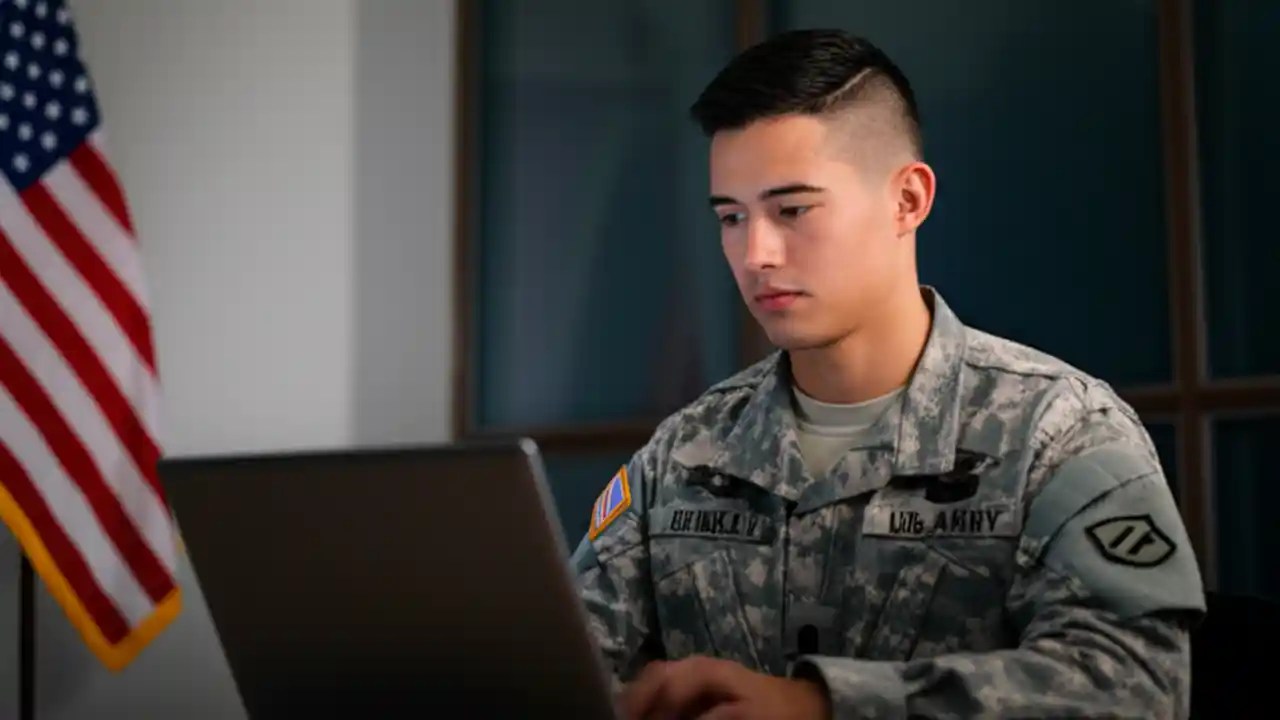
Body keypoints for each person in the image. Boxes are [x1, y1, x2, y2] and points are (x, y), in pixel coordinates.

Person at [569, 29, 1205, 720]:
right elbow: (562, 657)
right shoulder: (686, 452)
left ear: (907, 201)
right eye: (731, 216)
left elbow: (1137, 687)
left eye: (792, 210)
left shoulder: (1058, 433)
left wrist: (824, 707)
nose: (755, 253)